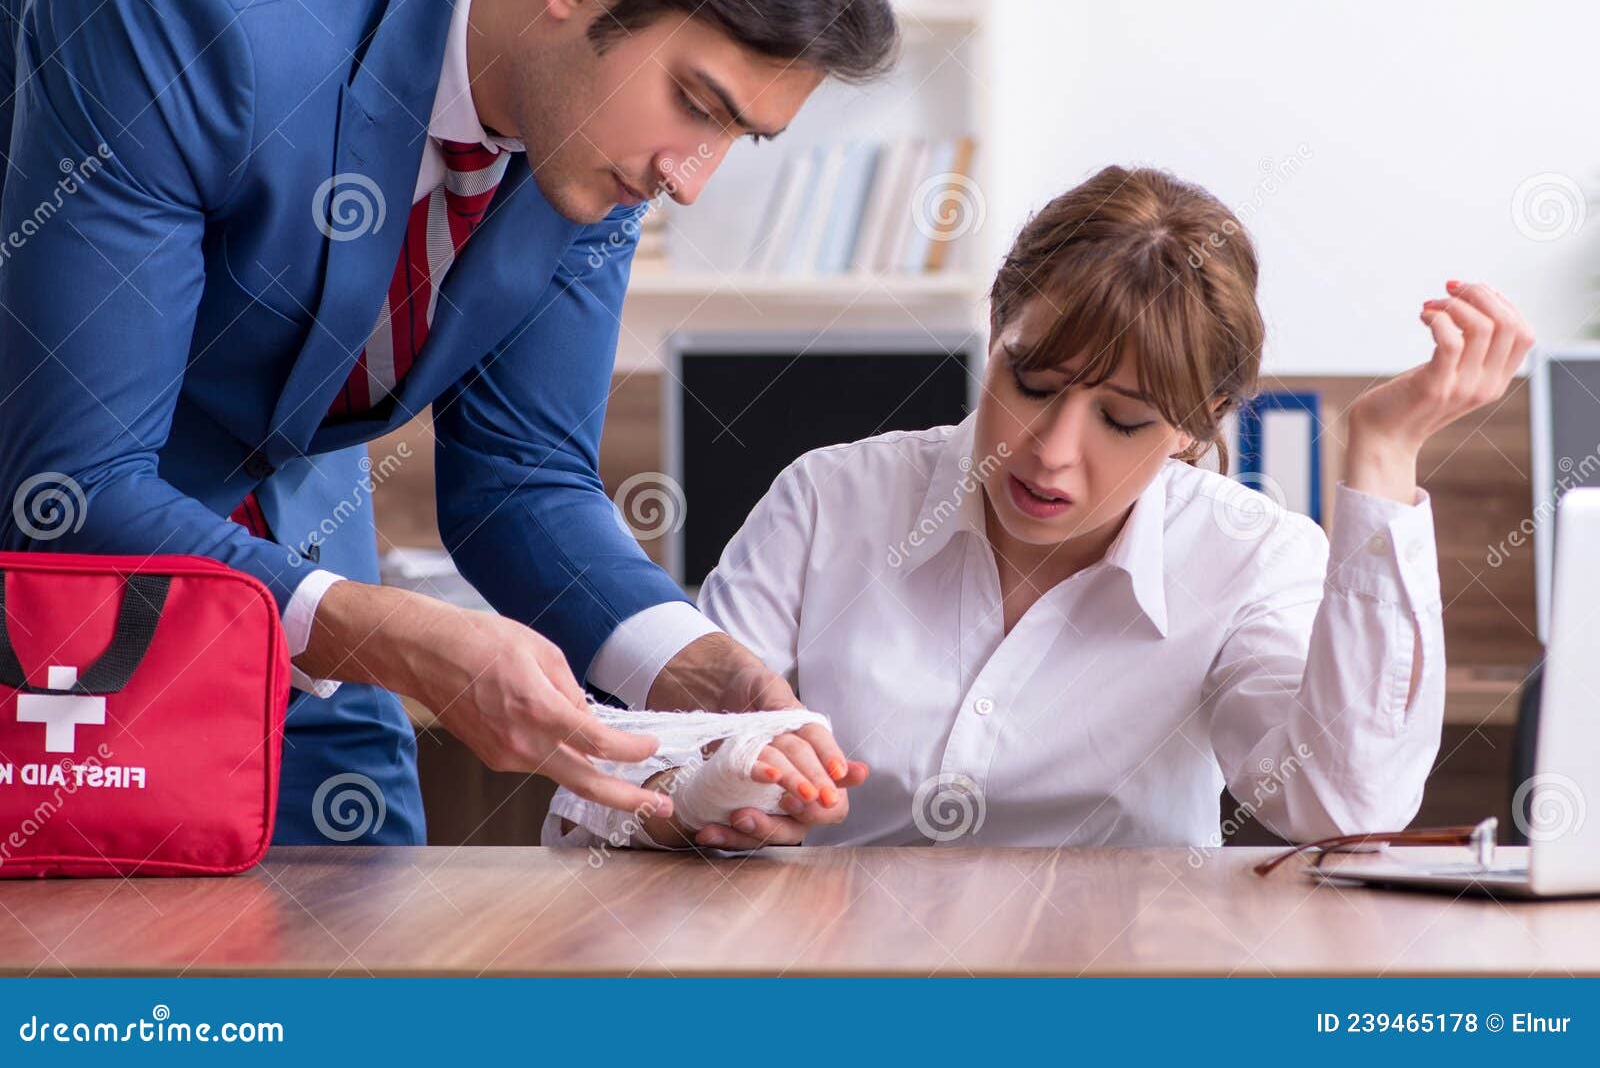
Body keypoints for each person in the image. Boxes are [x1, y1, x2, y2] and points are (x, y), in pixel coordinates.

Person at [0, 0, 889, 844]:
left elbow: (519, 477)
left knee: (363, 874)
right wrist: (395, 637)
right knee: (100, 929)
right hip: (49, 501)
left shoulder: (591, 127)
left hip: (282, 491)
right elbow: (72, 482)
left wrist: (689, 668)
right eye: (696, 104)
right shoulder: (182, 1)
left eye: (736, 137)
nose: (689, 178)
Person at [549, 166, 1534, 850]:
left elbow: (1345, 804)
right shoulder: (830, 500)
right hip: (839, 988)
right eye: (1031, 381)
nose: (1052, 454)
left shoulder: (1251, 558)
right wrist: (695, 803)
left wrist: (1385, 453)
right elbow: (619, 779)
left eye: (1123, 419)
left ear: (1196, 428)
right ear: (993, 333)